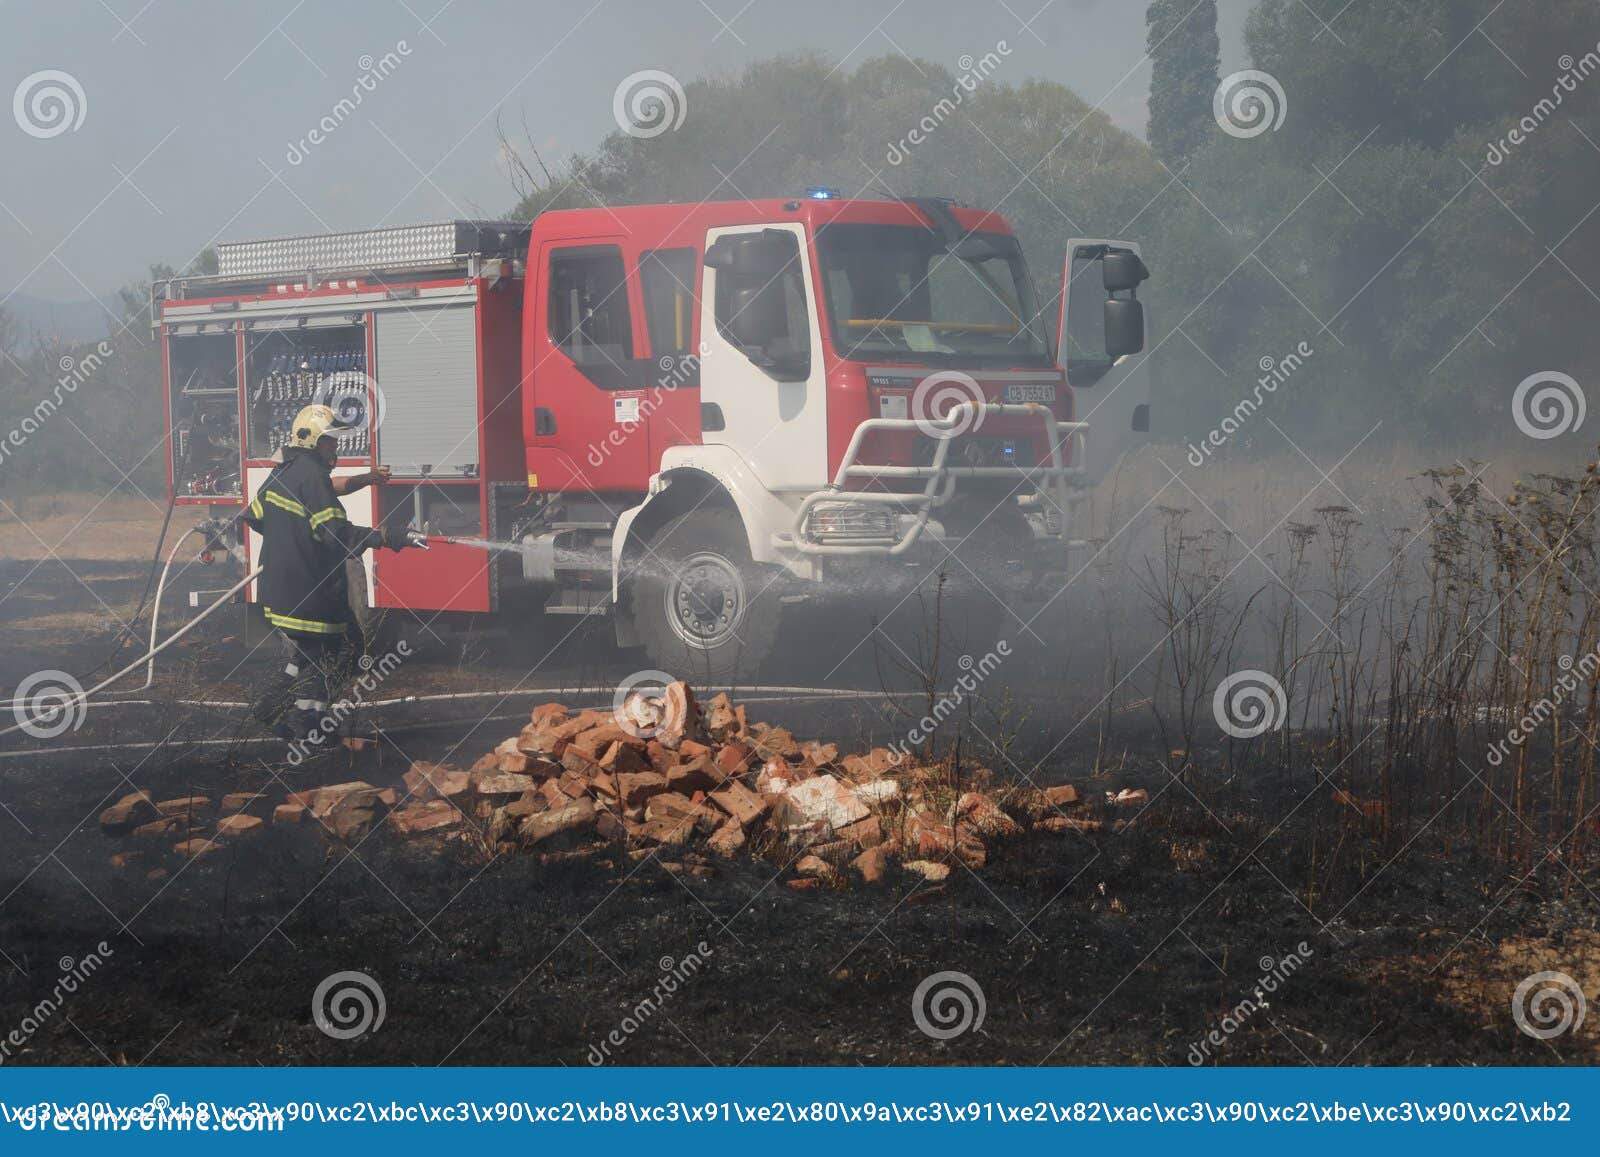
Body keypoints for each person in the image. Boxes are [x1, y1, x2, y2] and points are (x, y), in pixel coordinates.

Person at [242, 404, 420, 745]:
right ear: (311, 440)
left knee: (312, 653)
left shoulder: (286, 470)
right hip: (309, 592)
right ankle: (307, 728)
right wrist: (390, 537)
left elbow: (257, 516)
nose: (335, 448)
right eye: (329, 441)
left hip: (279, 590)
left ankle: (271, 706)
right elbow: (336, 534)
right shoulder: (311, 476)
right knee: (336, 654)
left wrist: (291, 539)